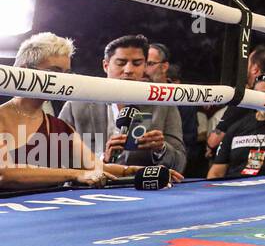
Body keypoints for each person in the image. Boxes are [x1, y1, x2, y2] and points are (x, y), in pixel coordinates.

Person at [0, 33, 181, 190]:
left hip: (48, 216)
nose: (61, 80)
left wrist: (136, 170)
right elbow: (4, 173)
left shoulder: (59, 127)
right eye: (54, 72)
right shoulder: (2, 117)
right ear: (24, 71)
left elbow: (93, 166)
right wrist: (73, 174)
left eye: (66, 73)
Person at [59, 34, 186, 173]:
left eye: (137, 63)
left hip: (142, 187)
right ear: (105, 65)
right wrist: (100, 160)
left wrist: (161, 149)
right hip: (89, 188)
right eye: (121, 63)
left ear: (144, 66)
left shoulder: (163, 104)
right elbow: (55, 158)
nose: (129, 70)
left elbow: (180, 164)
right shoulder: (77, 103)